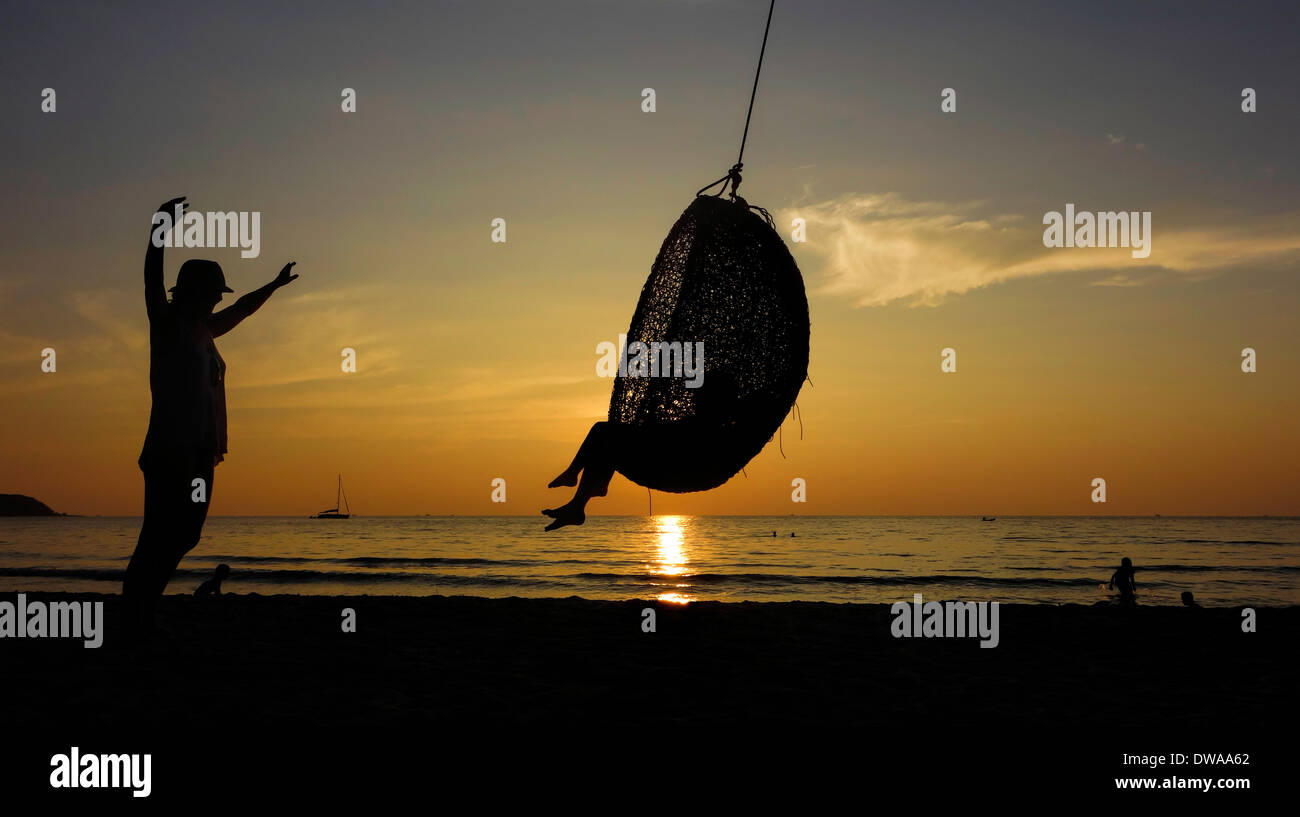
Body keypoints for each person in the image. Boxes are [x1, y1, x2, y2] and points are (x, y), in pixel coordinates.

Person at [123, 196, 299, 635]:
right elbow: (150, 279)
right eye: (213, 294)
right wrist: (159, 229)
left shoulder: (206, 331)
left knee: (185, 535)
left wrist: (274, 285)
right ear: (194, 293)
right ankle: (136, 614)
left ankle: (142, 608)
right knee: (158, 535)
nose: (218, 301)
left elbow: (241, 311)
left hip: (202, 453)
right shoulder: (168, 326)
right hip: (170, 450)